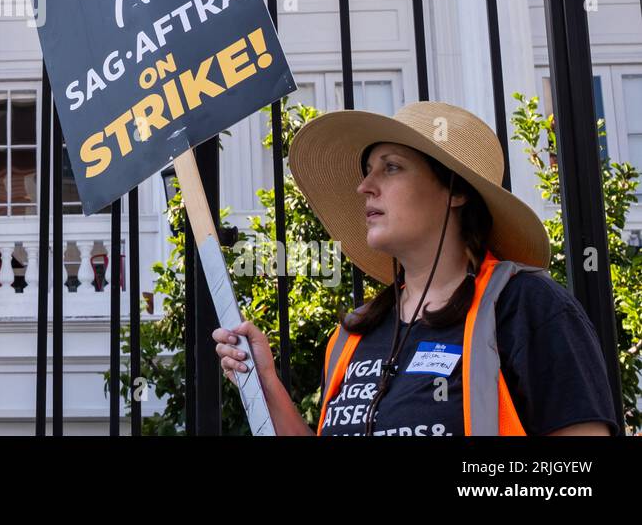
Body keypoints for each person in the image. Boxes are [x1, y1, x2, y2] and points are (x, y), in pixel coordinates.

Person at [213, 100, 619, 436]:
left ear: (456, 190)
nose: (364, 187)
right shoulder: (353, 334)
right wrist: (266, 382)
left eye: (390, 167)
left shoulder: (528, 307)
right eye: (367, 170)